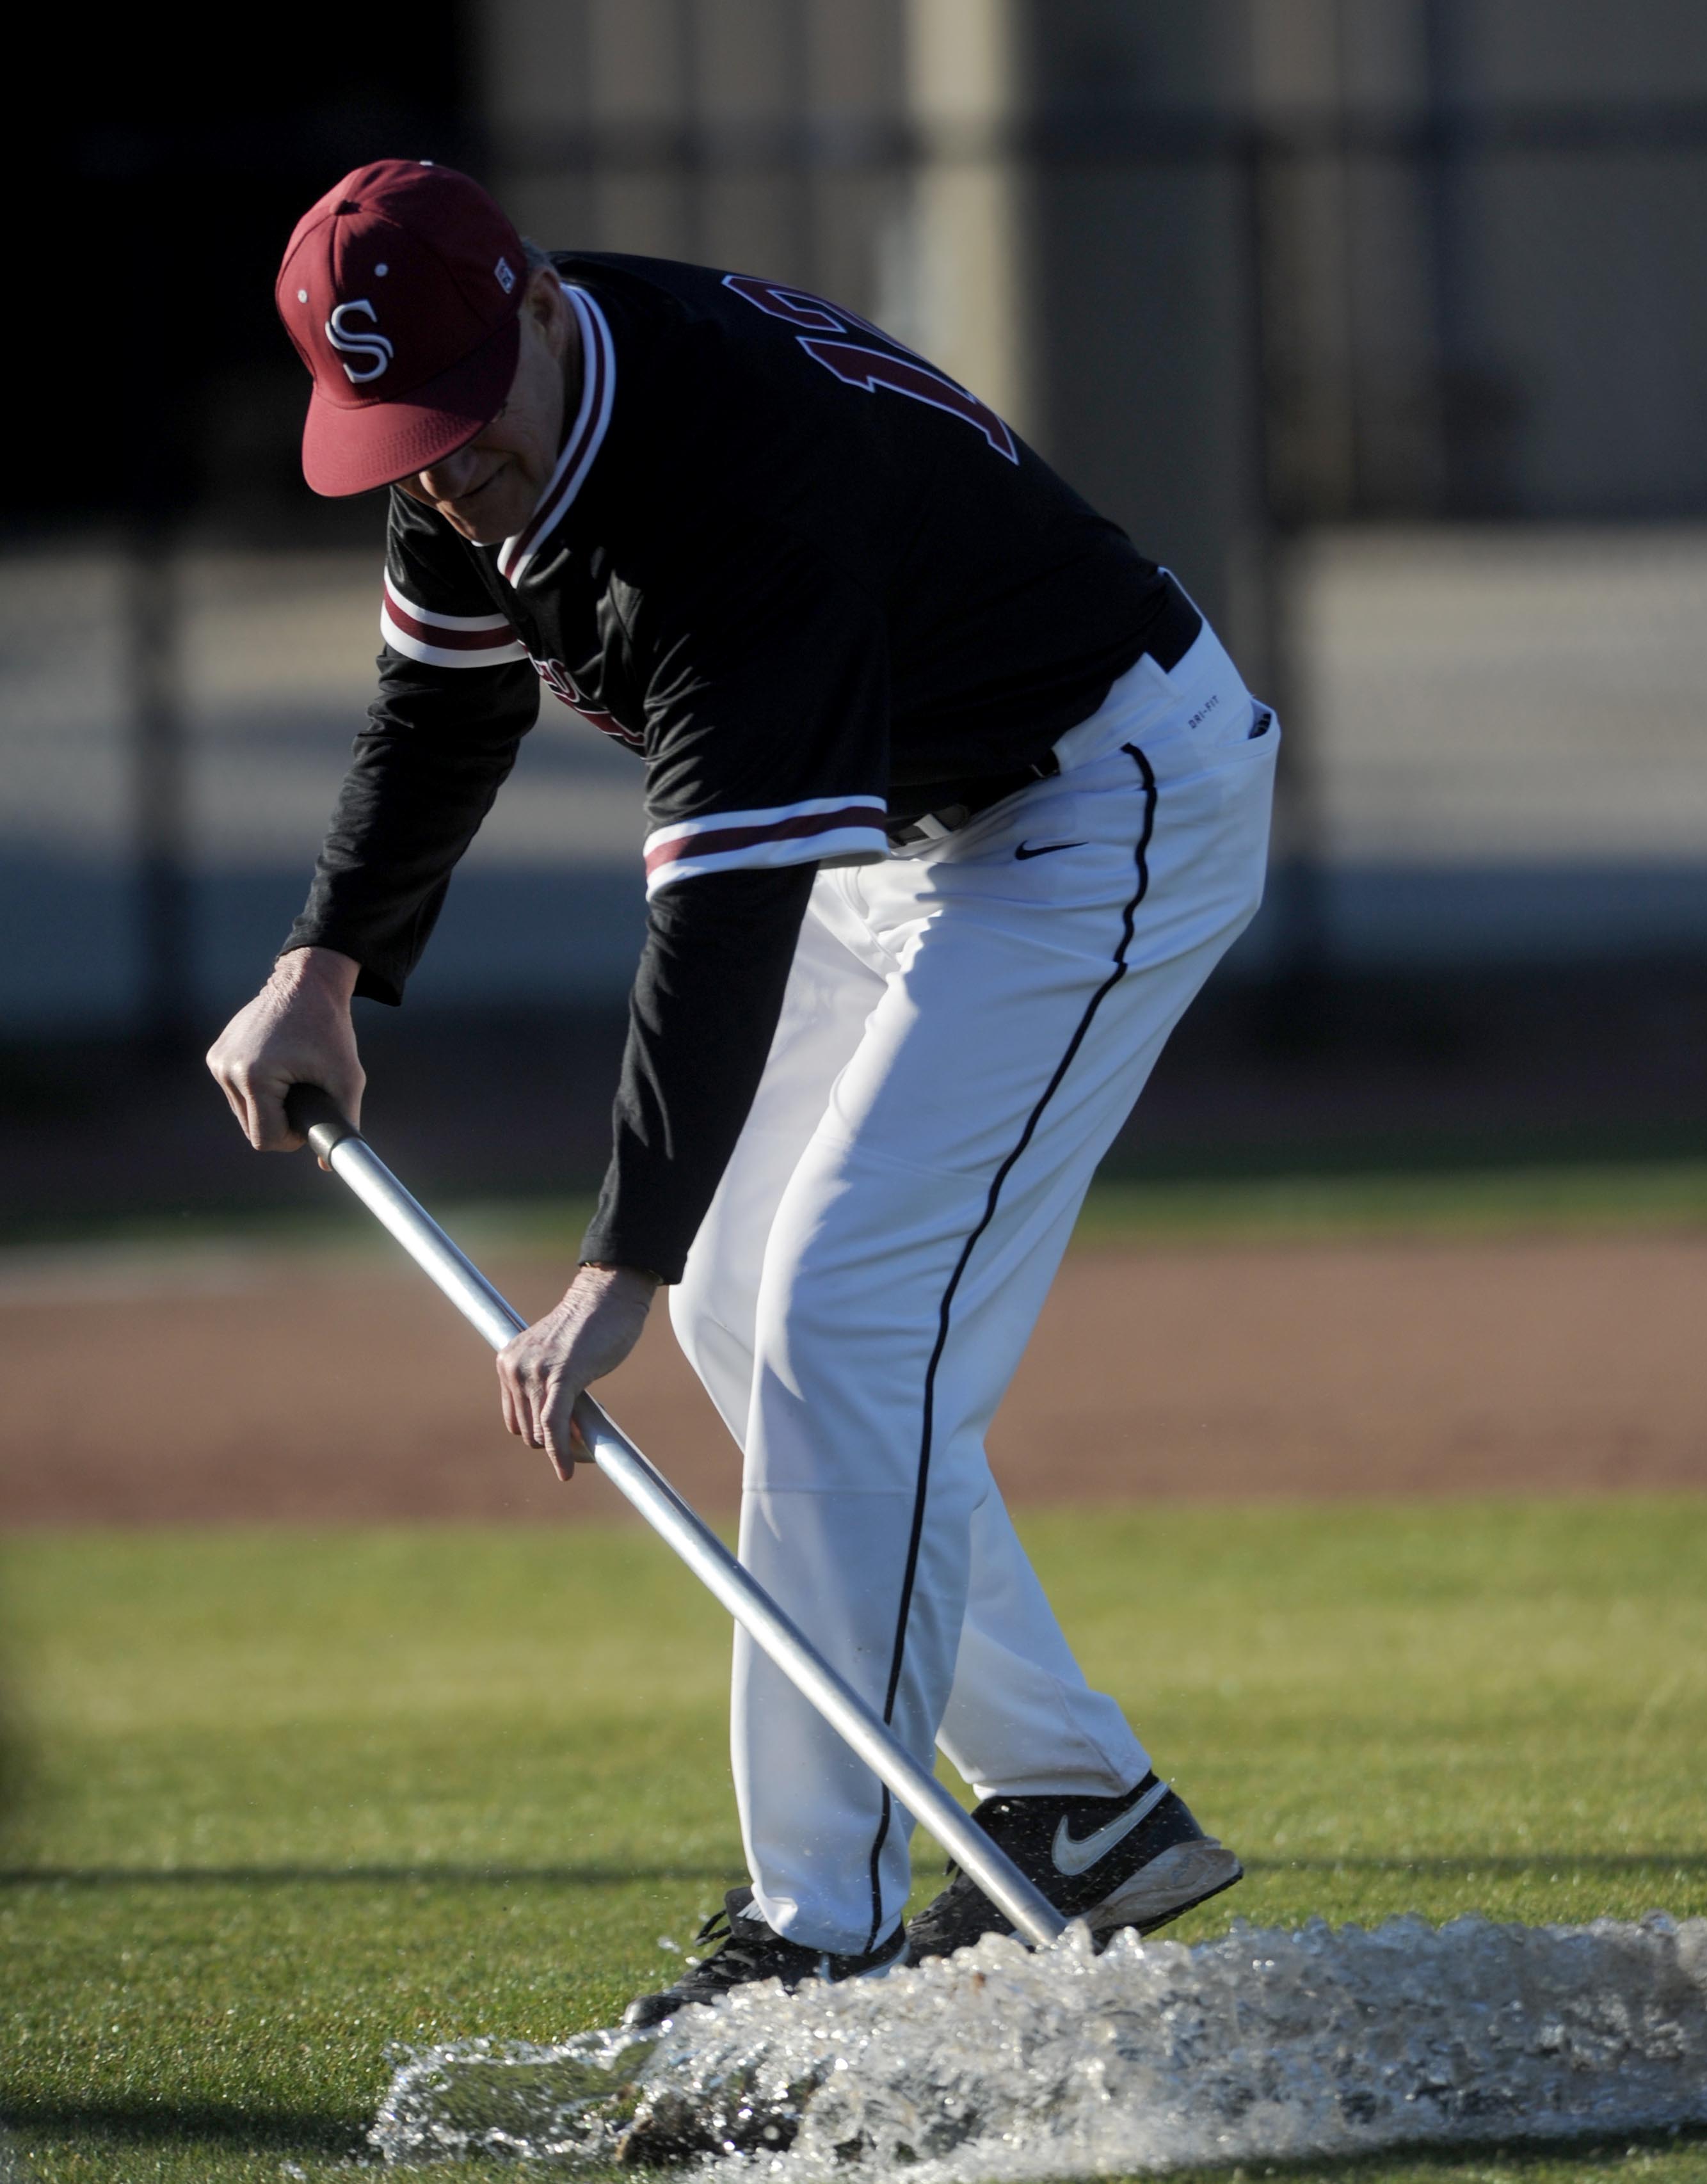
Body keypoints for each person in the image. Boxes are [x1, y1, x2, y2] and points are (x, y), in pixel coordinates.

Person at [208, 159, 1273, 2025]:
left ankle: (820, 1937)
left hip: (1097, 800)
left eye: (457, 425)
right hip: (910, 810)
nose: (445, 478)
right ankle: (1080, 1804)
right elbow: (439, 711)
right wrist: (326, 966)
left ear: (538, 308)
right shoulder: (468, 450)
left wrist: (611, 1262)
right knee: (740, 1310)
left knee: (843, 1310)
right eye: (400, 444)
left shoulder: (728, 483)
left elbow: (721, 920)